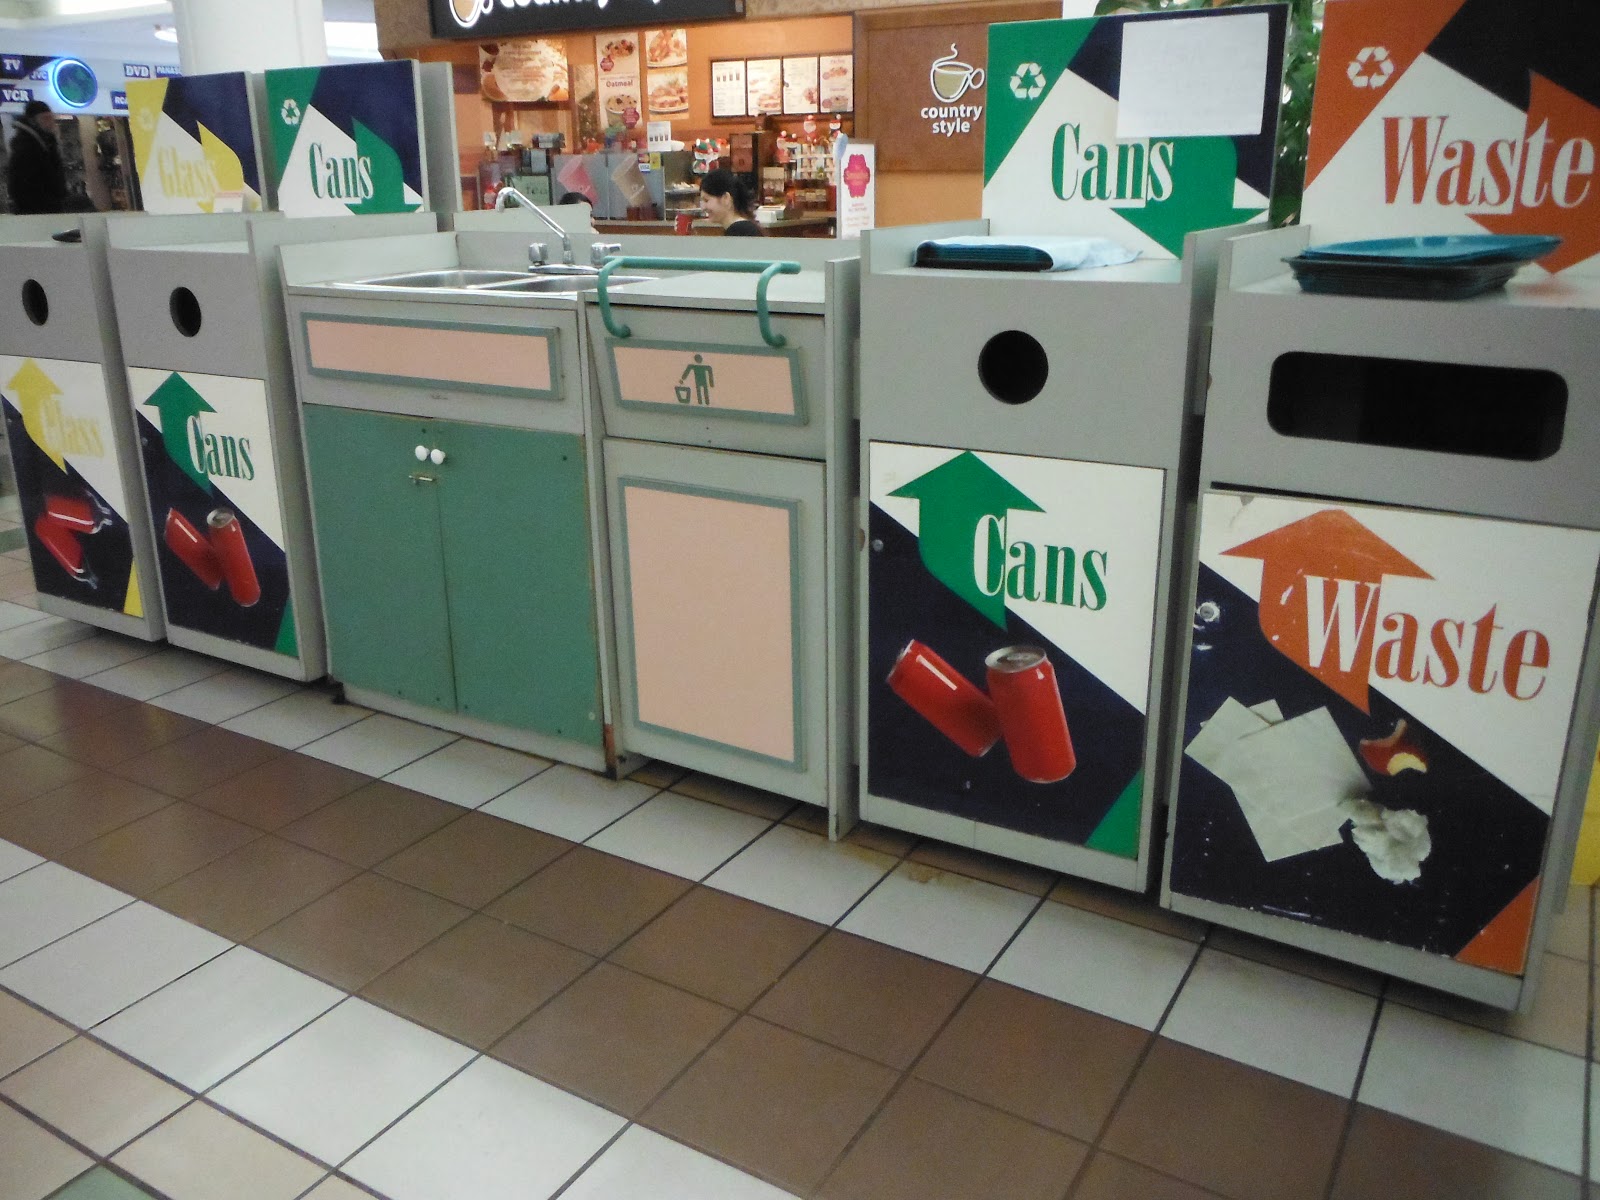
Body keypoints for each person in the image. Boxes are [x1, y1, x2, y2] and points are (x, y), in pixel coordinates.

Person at [6, 100, 68, 215]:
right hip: (37, 210)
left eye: (51, 118)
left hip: (49, 207)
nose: (50, 123)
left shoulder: (47, 142)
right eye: (45, 119)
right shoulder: (25, 145)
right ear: (33, 121)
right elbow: (21, 184)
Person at [698, 168, 763, 236]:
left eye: (706, 200)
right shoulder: (743, 228)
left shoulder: (739, 231)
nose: (703, 207)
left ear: (726, 198)